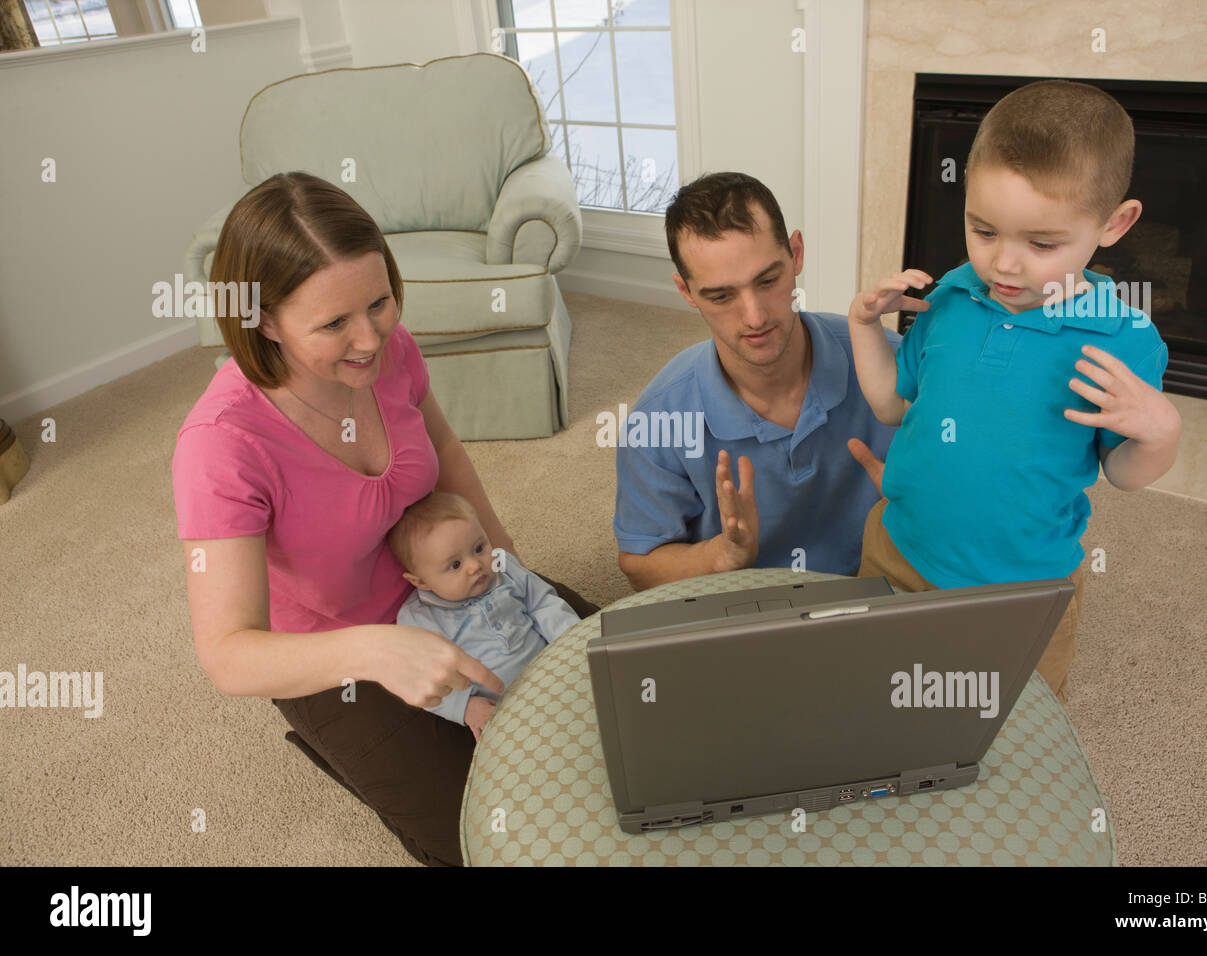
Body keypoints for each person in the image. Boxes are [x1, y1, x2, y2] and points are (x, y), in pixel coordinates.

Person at [171, 171, 598, 867]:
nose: (371, 338)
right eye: (335, 323)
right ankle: (335, 740)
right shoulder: (220, 446)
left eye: (380, 302)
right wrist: (376, 651)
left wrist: (507, 562)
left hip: (450, 580)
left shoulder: (391, 352)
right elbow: (227, 654)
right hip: (336, 656)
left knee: (630, 698)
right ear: (264, 320)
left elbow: (447, 449)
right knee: (499, 837)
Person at [847, 79, 1181, 703]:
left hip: (1023, 589)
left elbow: (1126, 473)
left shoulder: (1124, 338)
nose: (1004, 264)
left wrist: (1161, 432)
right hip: (899, 550)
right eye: (984, 230)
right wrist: (863, 325)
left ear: (1115, 223)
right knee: (879, 690)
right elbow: (893, 406)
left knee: (1015, 726)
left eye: (1042, 244)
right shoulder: (950, 297)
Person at [614, 172, 900, 590]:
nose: (755, 317)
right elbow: (639, 566)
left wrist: (923, 507)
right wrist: (722, 555)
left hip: (877, 595)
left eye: (768, 281)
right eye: (721, 296)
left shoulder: (891, 359)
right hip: (739, 612)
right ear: (686, 291)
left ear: (796, 254)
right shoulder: (658, 416)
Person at [387, 491, 580, 741]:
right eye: (455, 565)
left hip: (556, 670)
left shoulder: (503, 567)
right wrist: (465, 707)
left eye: (479, 548)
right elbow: (422, 678)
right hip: (502, 712)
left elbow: (542, 602)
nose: (475, 565)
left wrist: (571, 641)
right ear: (421, 581)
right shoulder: (419, 619)